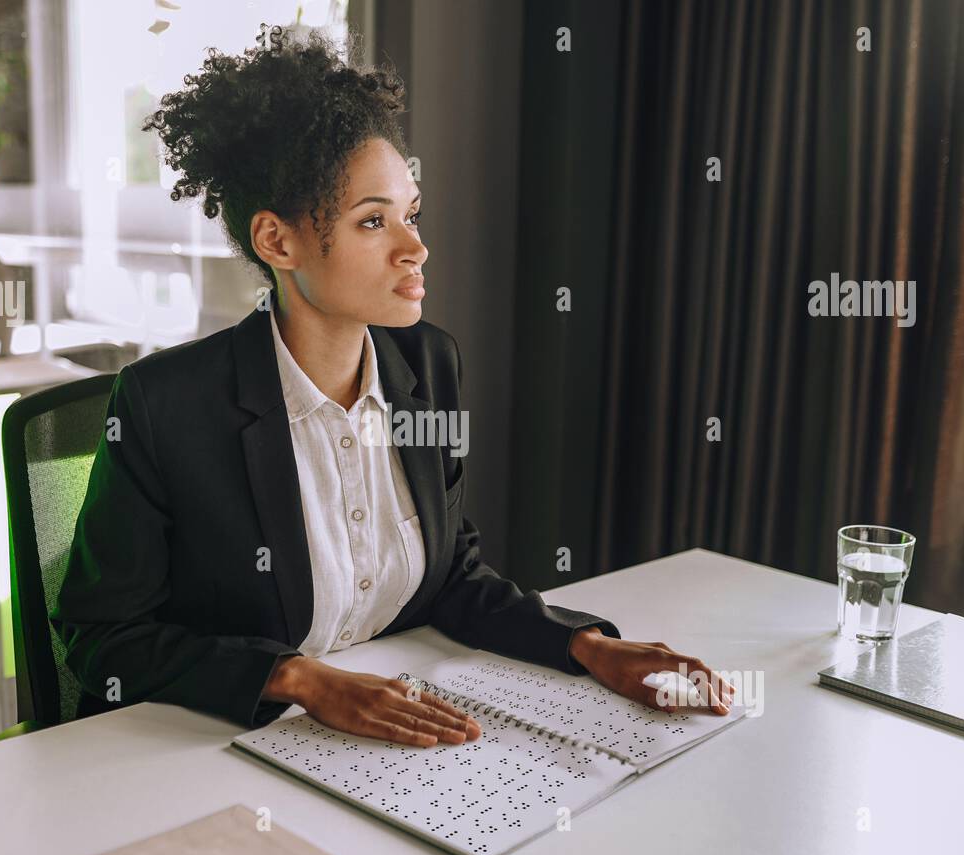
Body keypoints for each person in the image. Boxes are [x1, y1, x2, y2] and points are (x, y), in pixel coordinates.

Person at [52, 26, 734, 748]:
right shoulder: (166, 407)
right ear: (277, 242)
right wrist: (301, 679)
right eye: (372, 221)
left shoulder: (429, 368)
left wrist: (588, 646)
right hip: (200, 752)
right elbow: (103, 637)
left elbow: (448, 574)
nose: (415, 247)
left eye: (410, 214)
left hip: (381, 743)